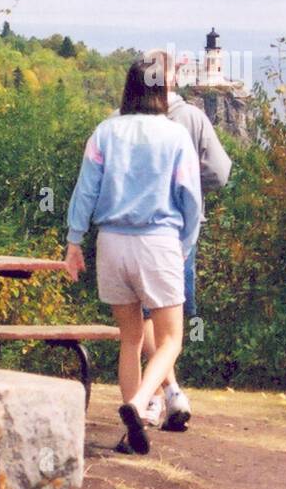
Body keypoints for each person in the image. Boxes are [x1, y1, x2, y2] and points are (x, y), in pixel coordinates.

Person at [65, 57, 203, 455]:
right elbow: (190, 199)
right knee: (172, 339)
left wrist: (75, 240)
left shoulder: (105, 132)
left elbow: (85, 190)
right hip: (158, 240)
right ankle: (139, 403)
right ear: (162, 91)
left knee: (130, 338)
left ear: (128, 88)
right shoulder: (176, 136)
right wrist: (184, 246)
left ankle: (132, 431)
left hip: (111, 241)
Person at [135, 48, 231, 432]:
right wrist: (191, 187)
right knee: (170, 317)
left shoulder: (126, 121)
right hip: (182, 231)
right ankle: (166, 393)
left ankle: (161, 395)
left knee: (142, 317)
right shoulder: (192, 118)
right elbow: (220, 173)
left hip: (135, 228)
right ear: (172, 79)